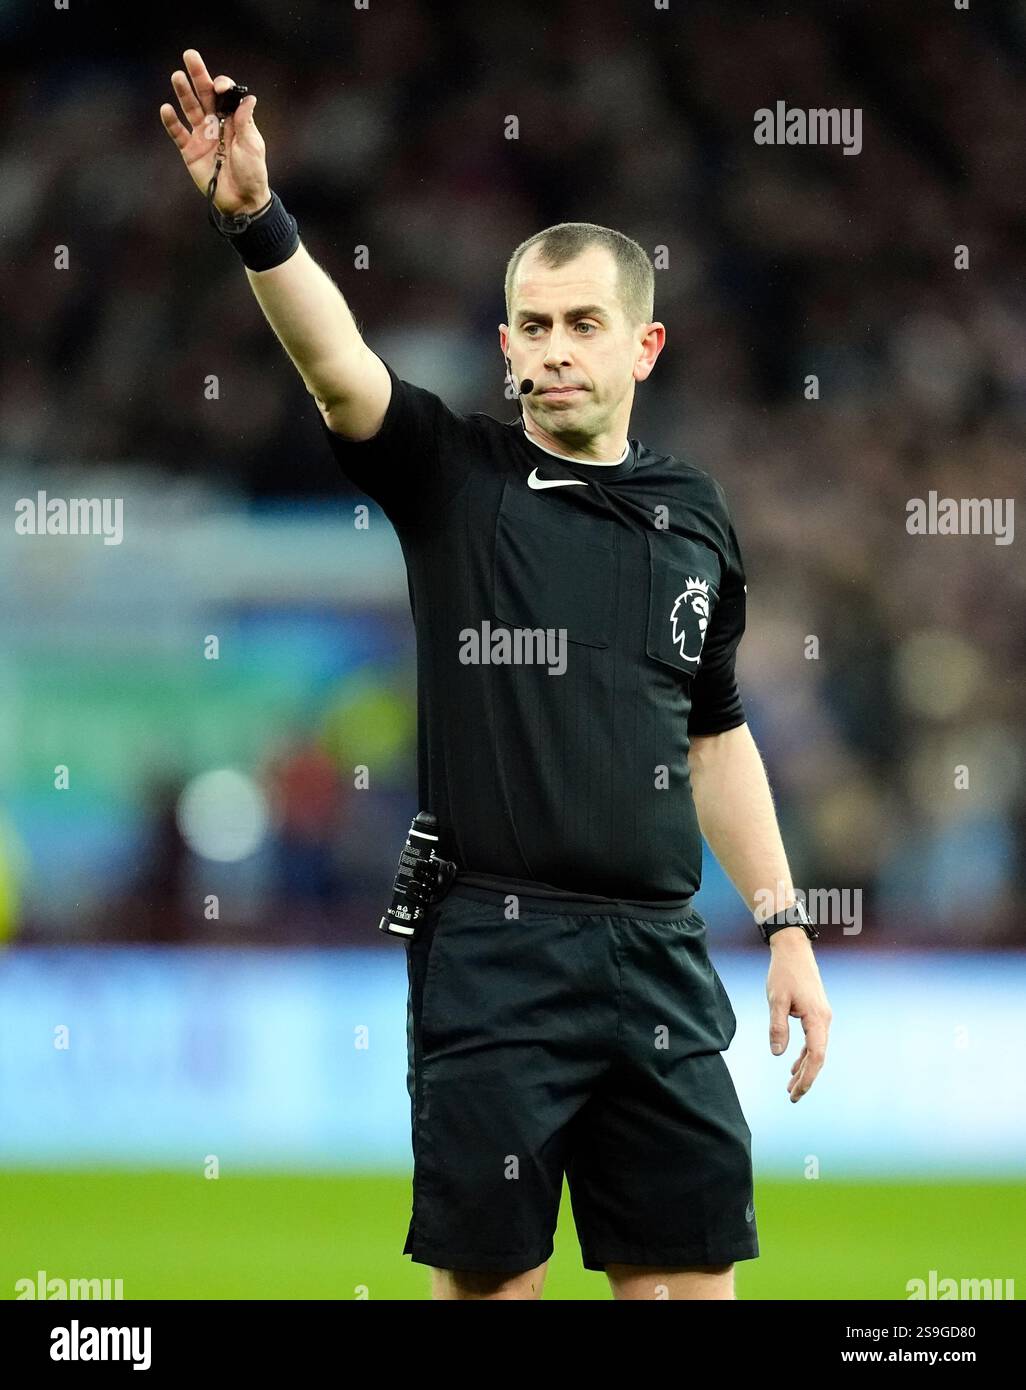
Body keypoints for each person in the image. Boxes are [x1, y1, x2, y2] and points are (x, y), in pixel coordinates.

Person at [161, 49, 833, 1301]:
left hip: (660, 952)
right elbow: (338, 364)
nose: (555, 349)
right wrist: (257, 218)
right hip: (495, 949)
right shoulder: (451, 478)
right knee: (491, 1294)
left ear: (646, 344)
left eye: (585, 324)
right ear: (508, 343)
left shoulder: (697, 516)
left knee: (692, 1287)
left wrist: (787, 922)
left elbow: (714, 730)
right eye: (533, 324)